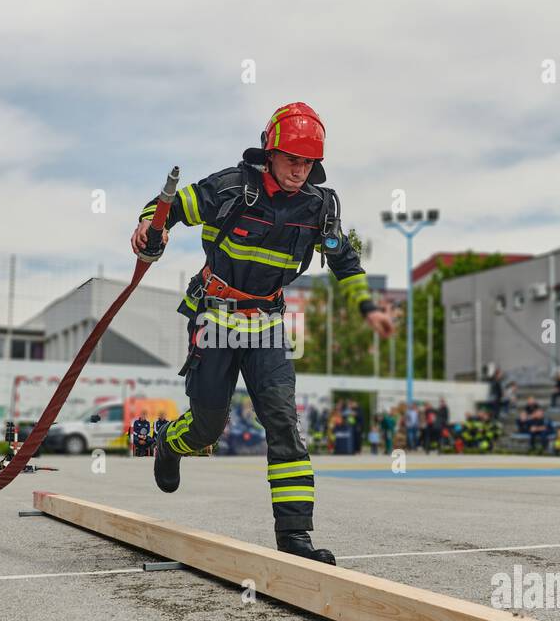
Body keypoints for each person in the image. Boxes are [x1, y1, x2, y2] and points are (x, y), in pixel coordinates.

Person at [132, 102, 395, 565]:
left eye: (308, 162)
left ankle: (295, 538)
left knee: (283, 423)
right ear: (270, 152)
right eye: (292, 159)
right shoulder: (230, 188)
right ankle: (171, 443)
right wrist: (148, 229)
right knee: (208, 427)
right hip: (214, 319)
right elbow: (166, 209)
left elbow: (345, 262)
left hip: (267, 325)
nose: (300, 170)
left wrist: (368, 308)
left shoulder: (320, 206)